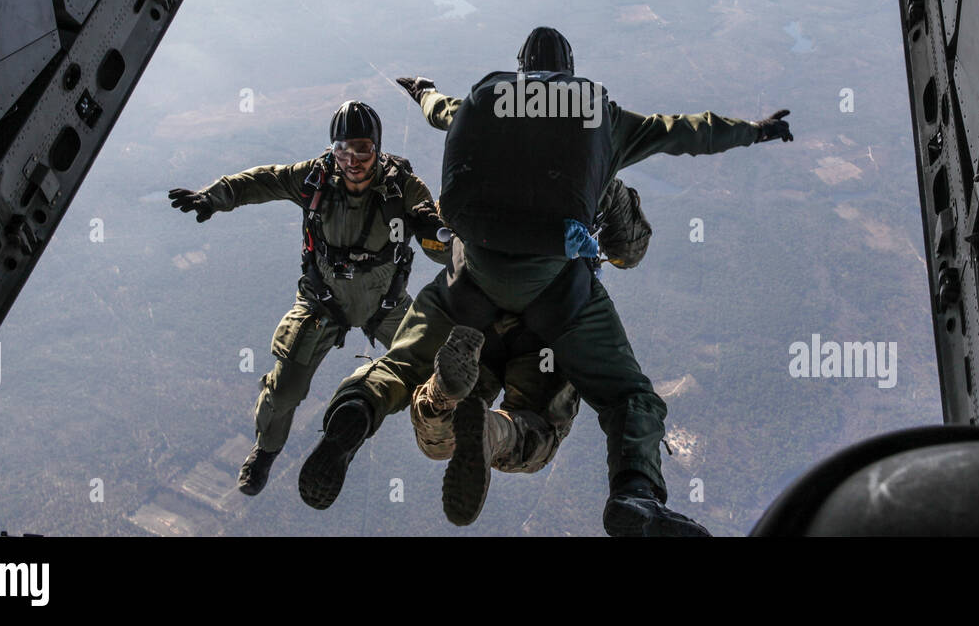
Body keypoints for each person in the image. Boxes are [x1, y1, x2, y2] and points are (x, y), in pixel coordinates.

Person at [298, 28, 794, 536]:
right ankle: (631, 494)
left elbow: (440, 108)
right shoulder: (603, 120)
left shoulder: (483, 102)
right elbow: (688, 132)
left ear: (520, 67)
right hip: (558, 302)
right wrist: (755, 130)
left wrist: (420, 86)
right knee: (626, 399)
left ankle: (366, 410)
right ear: (569, 67)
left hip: (469, 285)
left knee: (401, 367)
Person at [396, 72, 653, 526]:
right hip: (554, 323)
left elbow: (445, 112)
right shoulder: (595, 173)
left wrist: (422, 90)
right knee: (538, 432)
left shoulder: (487, 143)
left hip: (476, 310)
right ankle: (493, 432)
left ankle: (441, 396)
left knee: (439, 438)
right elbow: (629, 252)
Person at [167, 100, 449, 496]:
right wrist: (214, 197)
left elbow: (440, 244)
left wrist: (432, 230)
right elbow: (264, 180)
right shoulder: (316, 179)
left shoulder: (403, 188)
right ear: (332, 151)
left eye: (362, 151)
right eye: (342, 151)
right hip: (323, 302)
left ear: (378, 150)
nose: (352, 161)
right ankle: (265, 451)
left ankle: (370, 427)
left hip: (385, 303)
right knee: (283, 389)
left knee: (436, 371)